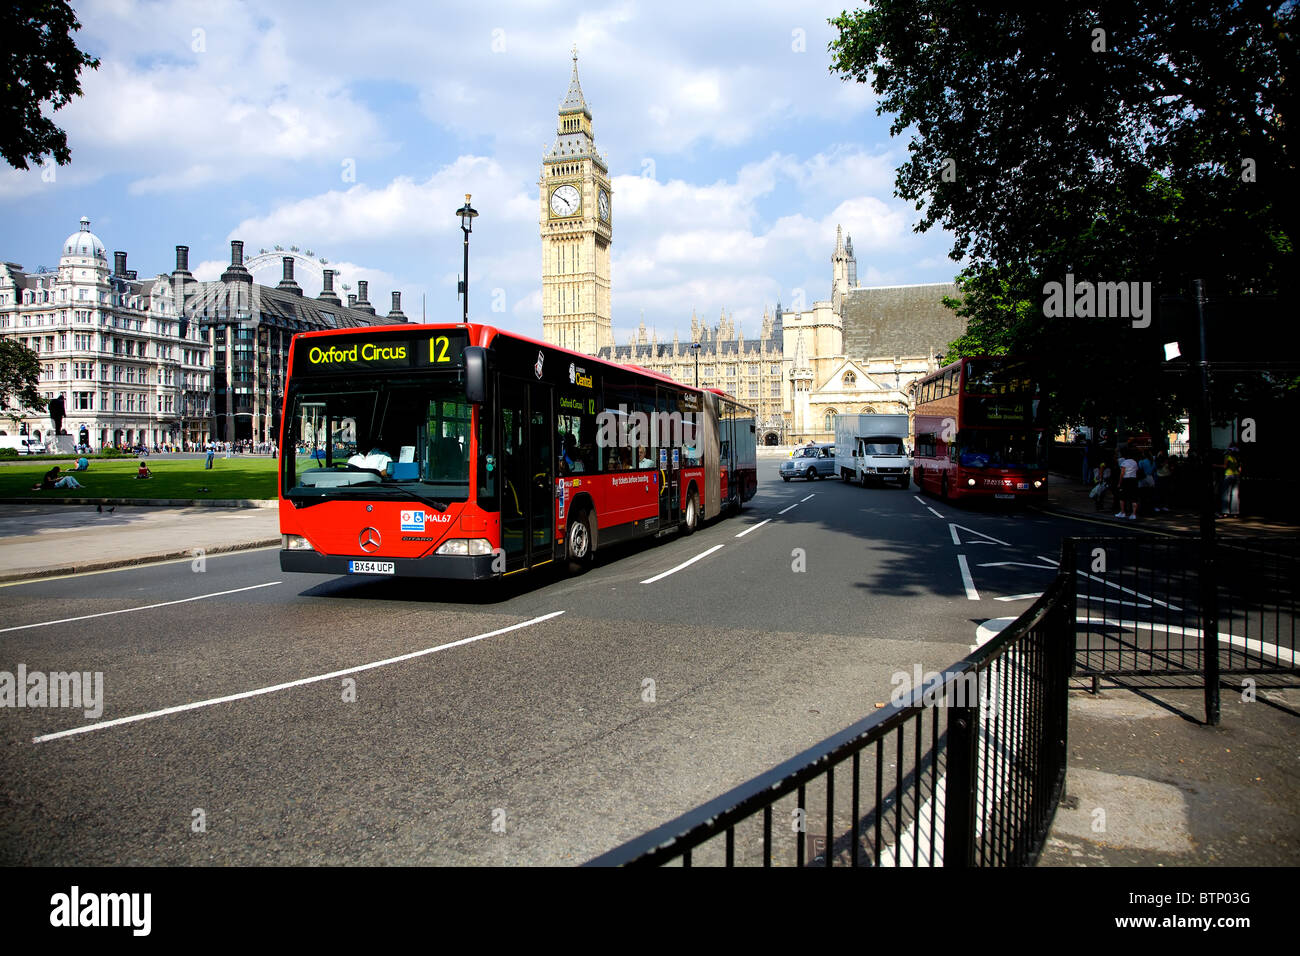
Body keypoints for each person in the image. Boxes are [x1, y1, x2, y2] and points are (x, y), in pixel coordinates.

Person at [1115, 445, 1139, 519]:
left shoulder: (1124, 463)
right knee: (1134, 497)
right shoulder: (1135, 462)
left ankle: (1122, 512)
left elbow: (1122, 474)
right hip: (1134, 480)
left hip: (1126, 480)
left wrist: (1119, 483)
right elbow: (1136, 471)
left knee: (1122, 497)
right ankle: (1134, 514)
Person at [1219, 445, 1242, 517]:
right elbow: (1240, 469)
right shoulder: (1237, 458)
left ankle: (1225, 512)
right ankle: (1235, 513)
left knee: (1226, 494)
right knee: (1235, 495)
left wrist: (1214, 465)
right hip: (1236, 476)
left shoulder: (1227, 457)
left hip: (1228, 475)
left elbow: (1225, 466)